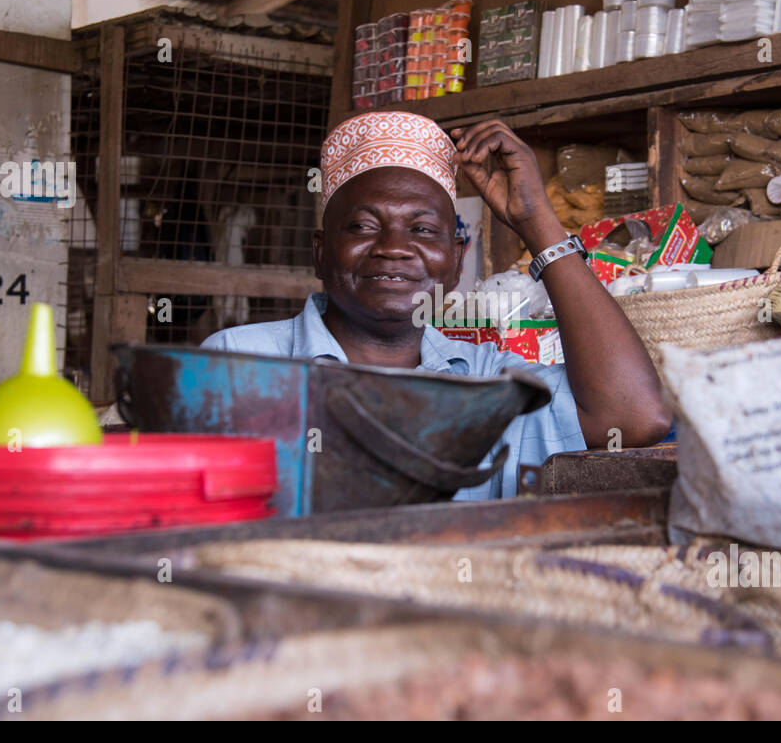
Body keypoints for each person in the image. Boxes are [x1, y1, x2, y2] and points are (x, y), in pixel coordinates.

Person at [202, 111, 672, 500]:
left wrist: (537, 221)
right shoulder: (238, 362)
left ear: (455, 263)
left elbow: (636, 415)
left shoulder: (491, 386)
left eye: (423, 230)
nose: (394, 248)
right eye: (363, 227)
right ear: (321, 253)